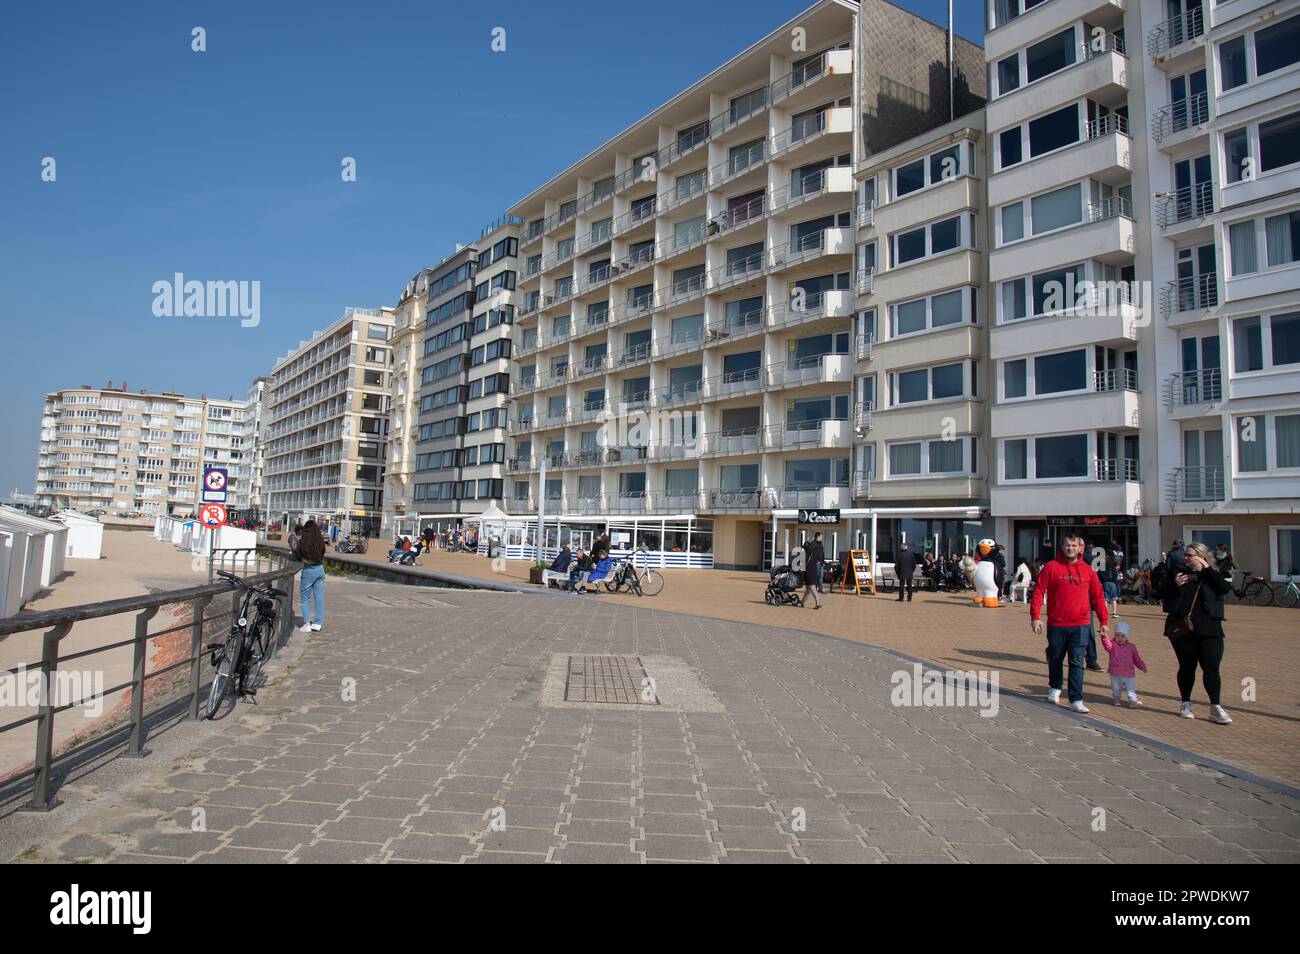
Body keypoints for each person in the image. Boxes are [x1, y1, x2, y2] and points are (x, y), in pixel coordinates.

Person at [1030, 534, 1110, 713]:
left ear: (1079, 548)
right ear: (1061, 547)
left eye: (1074, 545)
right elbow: (1038, 591)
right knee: (1056, 658)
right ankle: (1055, 687)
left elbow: (1097, 597)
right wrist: (1035, 617)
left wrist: (1104, 620)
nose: (1071, 548)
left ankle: (1076, 698)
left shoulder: (1088, 571)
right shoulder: (1051, 567)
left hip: (1081, 624)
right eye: (1067, 545)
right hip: (1057, 623)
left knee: (1076, 661)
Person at [1161, 541, 1233, 724]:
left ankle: (1215, 707)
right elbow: (1159, 594)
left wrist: (1206, 569)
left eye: (1189, 555)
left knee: (1211, 667)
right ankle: (1186, 703)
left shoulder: (1213, 574)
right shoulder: (1179, 573)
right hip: (1185, 628)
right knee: (1187, 666)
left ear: (1201, 557)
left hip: (1210, 628)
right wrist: (1174, 585)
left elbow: (1224, 589)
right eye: (1185, 555)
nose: (1185, 558)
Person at [1101, 621, 1147, 707]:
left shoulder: (1131, 647)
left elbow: (1136, 659)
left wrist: (1142, 666)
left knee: (1131, 689)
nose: (1120, 638)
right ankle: (1117, 699)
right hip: (1115, 673)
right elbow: (1106, 645)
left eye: (1123, 636)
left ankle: (1133, 701)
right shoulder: (1112, 645)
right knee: (1116, 689)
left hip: (1129, 673)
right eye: (1117, 635)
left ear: (1126, 637)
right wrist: (1104, 636)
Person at [293, 519, 327, 633]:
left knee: (305, 597)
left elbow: (297, 554)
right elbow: (322, 553)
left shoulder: (303, 542)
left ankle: (307, 623)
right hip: (320, 569)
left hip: (309, 570)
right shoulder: (320, 542)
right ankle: (318, 623)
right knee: (319, 597)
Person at [801, 532, 824, 609]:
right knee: (812, 586)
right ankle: (818, 602)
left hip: (809, 571)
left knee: (808, 588)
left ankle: (802, 602)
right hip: (812, 571)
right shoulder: (812, 551)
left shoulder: (806, 553)